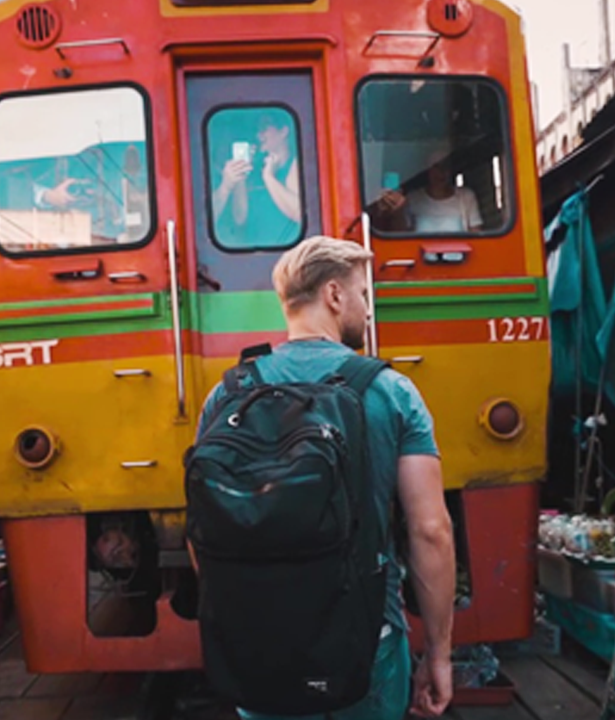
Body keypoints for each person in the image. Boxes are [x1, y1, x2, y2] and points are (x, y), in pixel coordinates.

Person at [193, 236, 456, 719]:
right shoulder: (390, 391)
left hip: (259, 647)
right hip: (365, 643)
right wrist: (439, 654)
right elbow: (430, 531)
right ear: (334, 294)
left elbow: (204, 528)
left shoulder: (227, 395)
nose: (368, 311)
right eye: (363, 295)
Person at [212, 113, 302, 247]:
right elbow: (240, 218)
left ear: (283, 131)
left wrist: (269, 178)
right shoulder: (256, 170)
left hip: (288, 249)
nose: (259, 135)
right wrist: (241, 176)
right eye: (257, 130)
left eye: (264, 128)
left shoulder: (294, 165)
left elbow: (298, 213)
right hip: (257, 250)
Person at [371, 146, 483, 234]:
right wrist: (398, 211)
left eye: (445, 166)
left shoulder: (466, 197)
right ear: (427, 170)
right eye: (436, 166)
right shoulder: (412, 198)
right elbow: (401, 236)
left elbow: (477, 238)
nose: (441, 172)